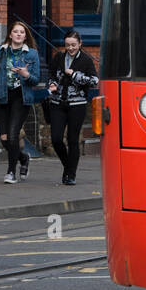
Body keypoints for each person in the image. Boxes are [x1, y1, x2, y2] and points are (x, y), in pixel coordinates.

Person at [0, 21, 43, 183]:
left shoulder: (31, 54)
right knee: (4, 139)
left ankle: (11, 172)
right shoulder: (0, 52)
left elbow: (36, 79)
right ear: (10, 34)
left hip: (21, 98)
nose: (18, 34)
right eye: (15, 32)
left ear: (25, 36)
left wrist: (26, 74)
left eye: (22, 32)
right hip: (2, 97)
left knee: (12, 135)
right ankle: (23, 158)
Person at [47, 30, 100, 186]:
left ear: (80, 44)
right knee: (56, 139)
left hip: (77, 105)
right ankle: (68, 167)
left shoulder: (85, 60)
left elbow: (94, 81)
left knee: (72, 139)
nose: (70, 48)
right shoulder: (58, 57)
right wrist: (52, 84)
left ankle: (71, 174)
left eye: (73, 45)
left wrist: (75, 75)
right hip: (57, 103)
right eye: (67, 45)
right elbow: (51, 75)